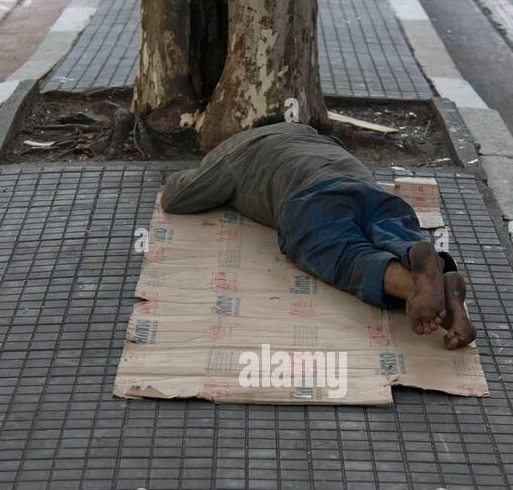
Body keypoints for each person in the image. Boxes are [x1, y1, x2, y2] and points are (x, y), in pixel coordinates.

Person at [159, 121, 476, 349]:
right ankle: (422, 261)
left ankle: (413, 286)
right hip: (361, 183)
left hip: (310, 198)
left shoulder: (235, 154)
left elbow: (176, 198)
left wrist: (199, 169)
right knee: (389, 225)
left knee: (347, 255)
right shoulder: (308, 134)